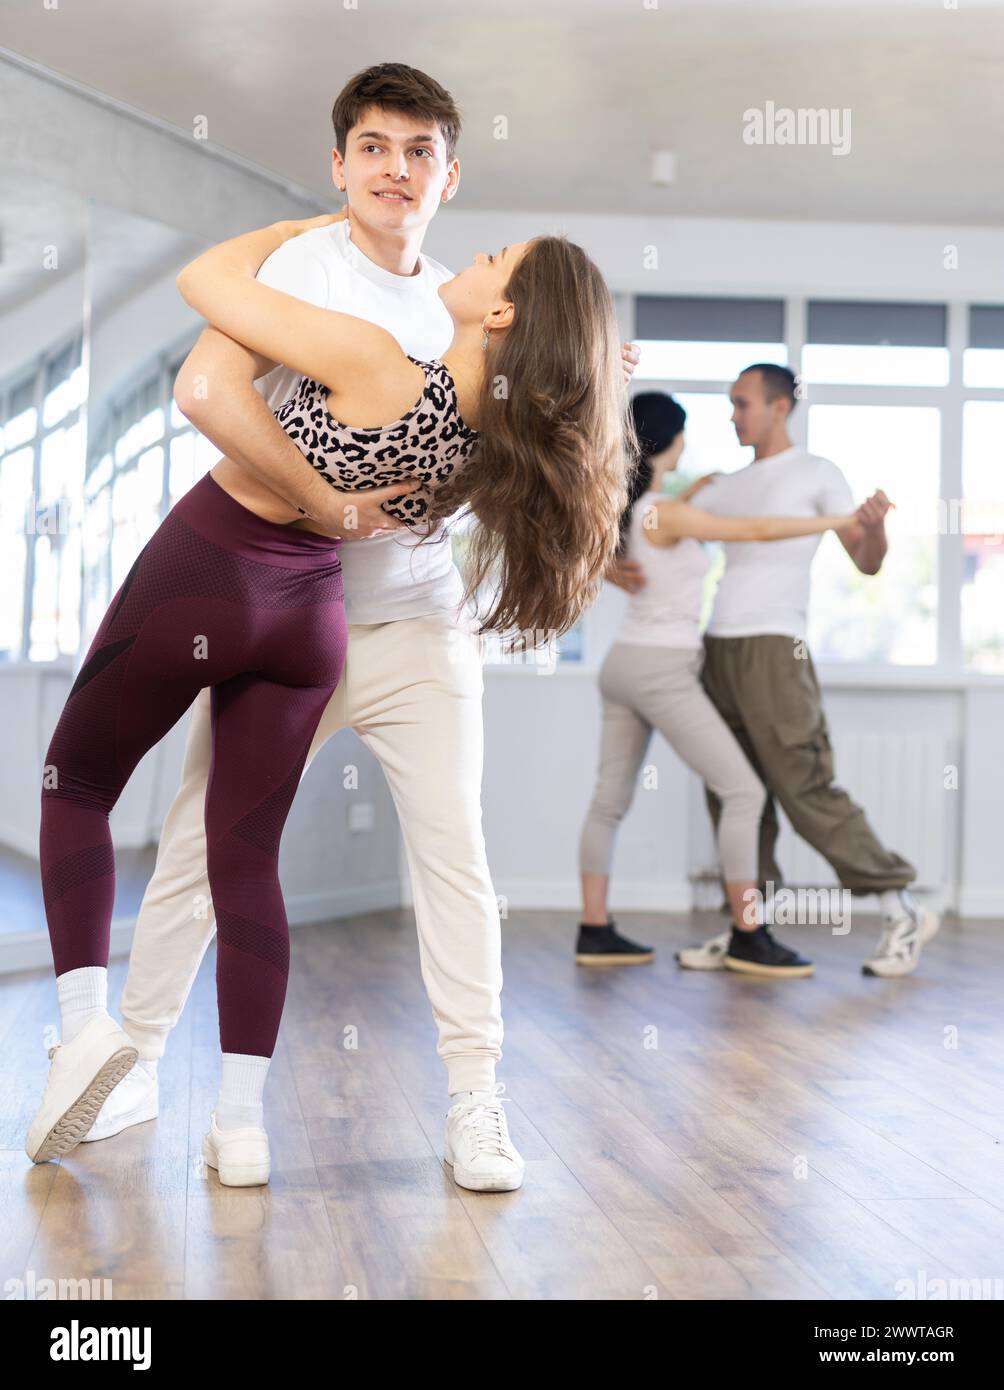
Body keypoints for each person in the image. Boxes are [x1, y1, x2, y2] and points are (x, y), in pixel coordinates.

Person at [27, 64, 637, 1191]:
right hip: (301, 608)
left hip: (409, 625)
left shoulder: (464, 308)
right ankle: (143, 1061)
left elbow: (225, 402)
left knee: (453, 852)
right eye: (374, 149)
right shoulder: (310, 271)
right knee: (201, 855)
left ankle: (474, 1099)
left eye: (419, 153)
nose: (395, 171)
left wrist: (577, 383)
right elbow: (217, 394)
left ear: (449, 174)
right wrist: (331, 503)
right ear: (341, 165)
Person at [578, 392, 860, 976]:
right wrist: (839, 520)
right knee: (746, 794)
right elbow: (754, 528)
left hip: (623, 666)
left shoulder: (634, 508)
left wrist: (689, 492)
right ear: (671, 442)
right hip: (663, 671)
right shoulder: (667, 511)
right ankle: (748, 935)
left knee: (608, 803)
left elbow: (612, 544)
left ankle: (594, 930)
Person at [677, 363, 939, 977]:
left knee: (804, 786)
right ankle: (750, 930)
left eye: (742, 404)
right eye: (731, 404)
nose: (733, 415)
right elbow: (652, 533)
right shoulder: (724, 486)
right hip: (717, 647)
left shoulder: (818, 473)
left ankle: (902, 908)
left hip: (776, 648)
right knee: (735, 795)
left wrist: (874, 531)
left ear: (780, 407)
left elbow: (866, 562)